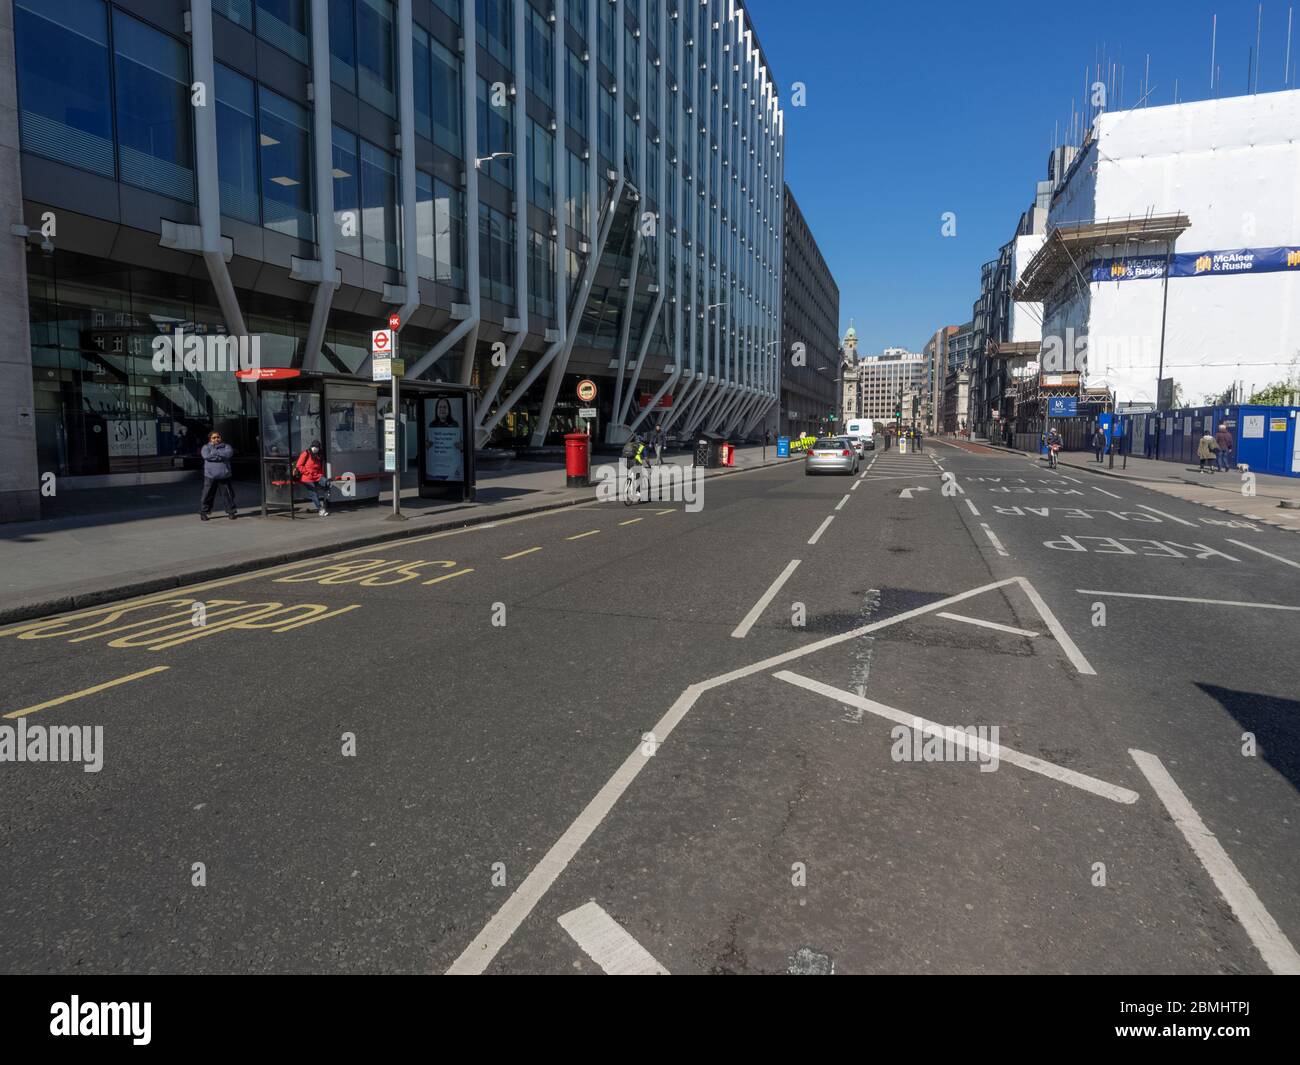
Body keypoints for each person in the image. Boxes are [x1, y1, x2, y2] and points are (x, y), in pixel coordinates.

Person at [199, 431, 237, 521]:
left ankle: (231, 512)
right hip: (210, 476)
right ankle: (204, 513)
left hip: (224, 475)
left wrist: (215, 454)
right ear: (210, 439)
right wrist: (220, 455)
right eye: (214, 437)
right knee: (207, 495)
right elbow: (206, 456)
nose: (216, 439)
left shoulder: (227, 446)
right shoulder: (206, 447)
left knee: (227, 495)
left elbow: (229, 454)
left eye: (218, 437)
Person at [296, 439, 332, 515]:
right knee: (314, 493)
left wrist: (321, 475)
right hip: (307, 478)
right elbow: (299, 465)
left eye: (317, 447)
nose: (315, 448)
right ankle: (320, 509)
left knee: (327, 483)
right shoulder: (305, 453)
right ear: (311, 446)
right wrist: (307, 473)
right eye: (314, 447)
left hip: (317, 476)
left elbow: (320, 467)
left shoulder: (318, 455)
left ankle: (326, 496)